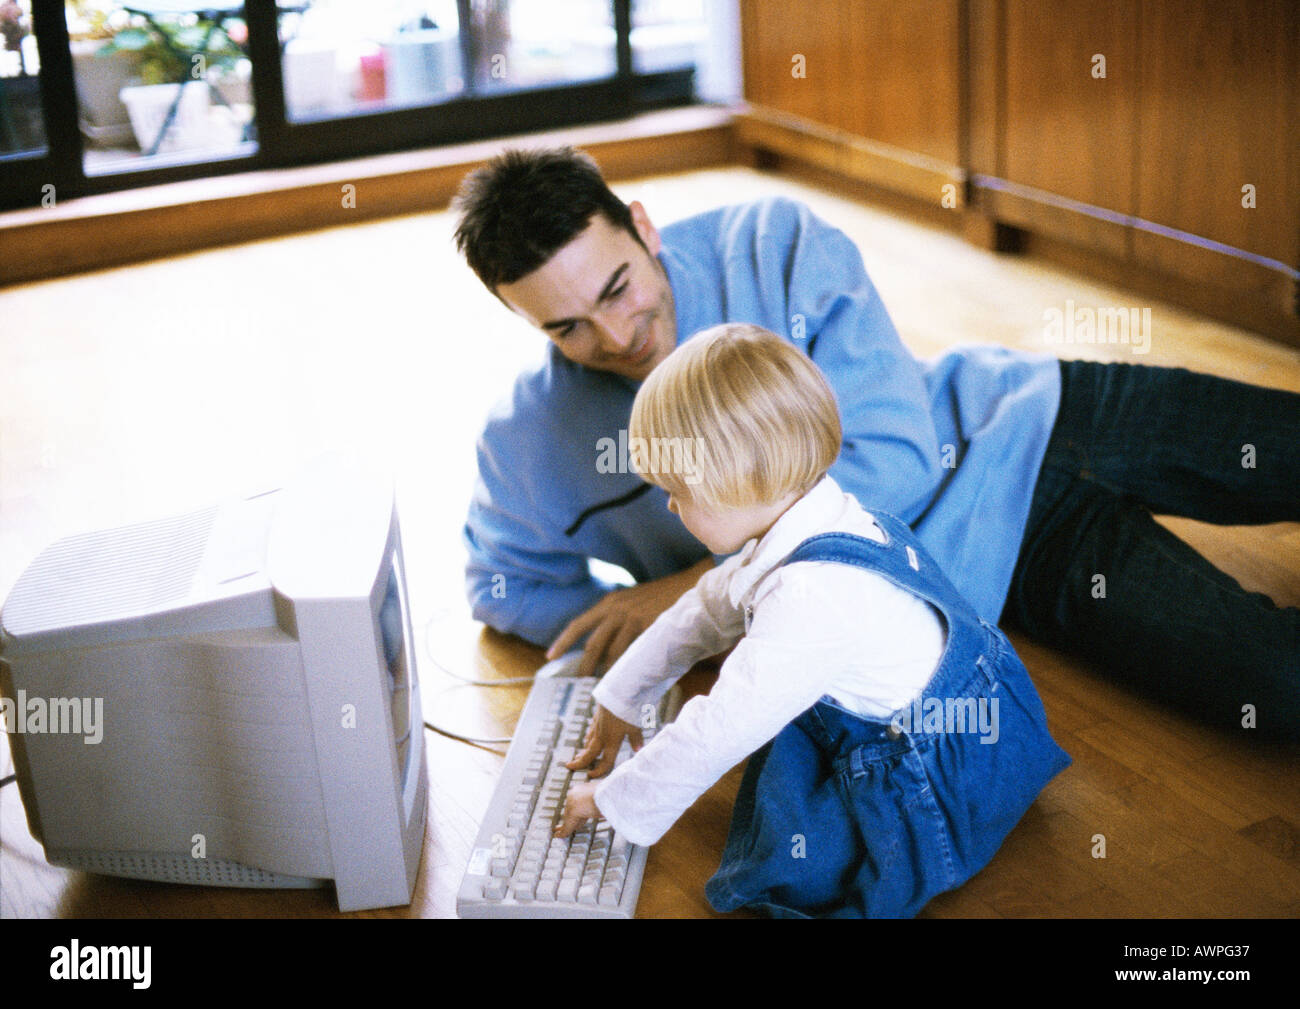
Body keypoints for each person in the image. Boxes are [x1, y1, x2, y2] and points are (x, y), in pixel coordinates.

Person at [453, 146, 1300, 741]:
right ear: (522, 321)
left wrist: (690, 593)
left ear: (642, 227)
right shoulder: (527, 440)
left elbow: (894, 458)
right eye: (567, 326)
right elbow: (500, 582)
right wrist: (669, 630)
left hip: (1044, 408)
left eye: (619, 286)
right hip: (1004, 551)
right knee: (1274, 684)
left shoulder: (771, 241)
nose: (617, 334)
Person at [549, 323, 1071, 917]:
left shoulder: (813, 595)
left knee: (783, 885)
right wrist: (623, 694)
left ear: (741, 476)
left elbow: (719, 728)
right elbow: (702, 610)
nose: (669, 505)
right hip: (977, 719)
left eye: (677, 490)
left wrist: (613, 801)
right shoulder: (814, 517)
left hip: (933, 778)